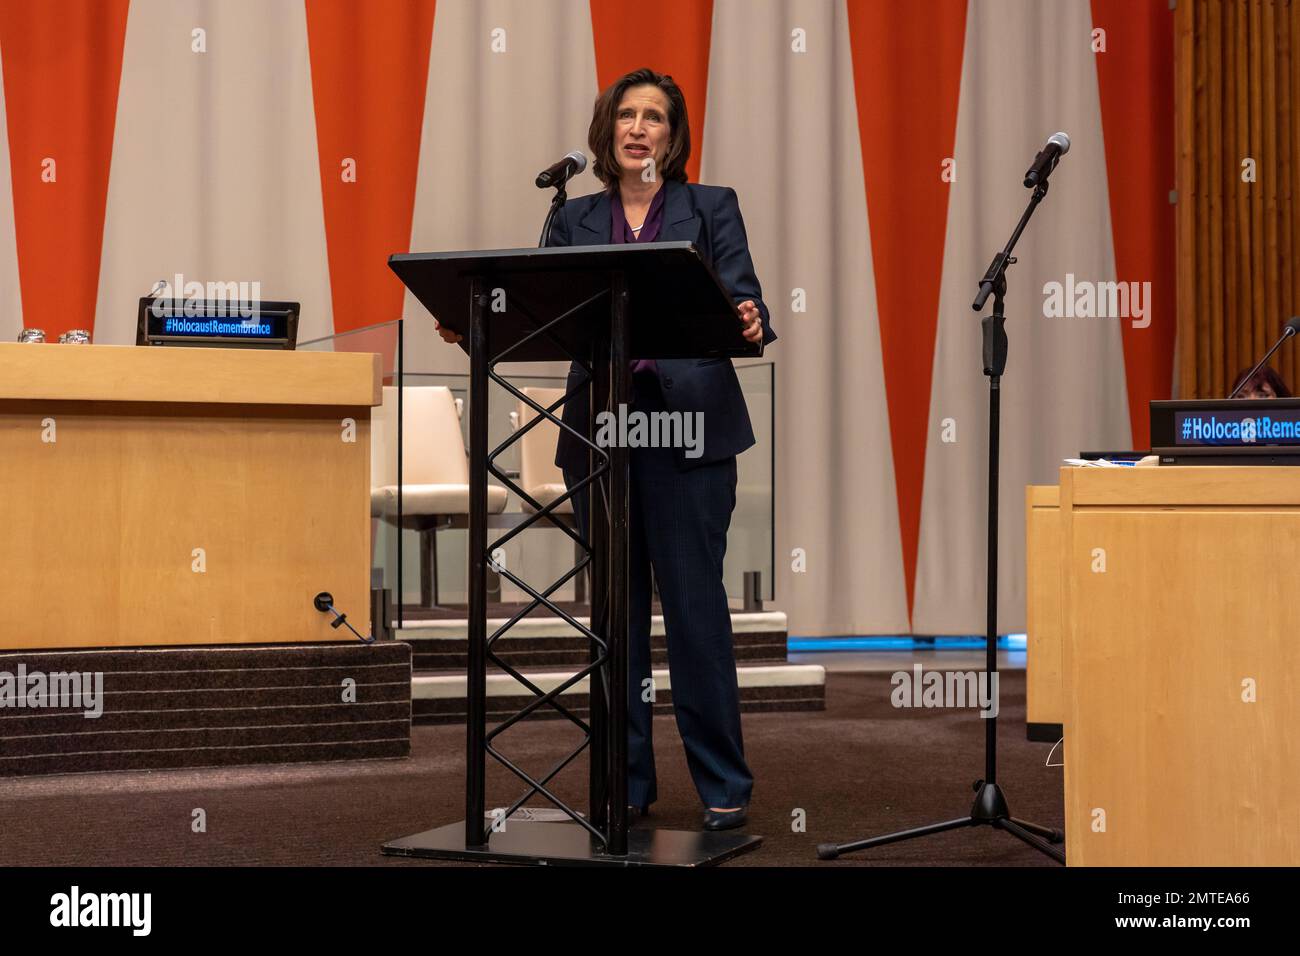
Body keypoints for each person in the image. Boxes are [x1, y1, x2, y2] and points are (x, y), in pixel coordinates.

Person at [440, 67, 774, 831]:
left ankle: (723, 784)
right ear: (606, 132)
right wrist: (473, 322)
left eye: (654, 117)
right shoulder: (573, 218)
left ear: (672, 137)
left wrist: (752, 317)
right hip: (601, 438)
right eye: (626, 115)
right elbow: (539, 310)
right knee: (613, 624)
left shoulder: (710, 207)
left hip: (686, 434)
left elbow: (743, 297)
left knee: (695, 615)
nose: (638, 128)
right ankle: (624, 783)